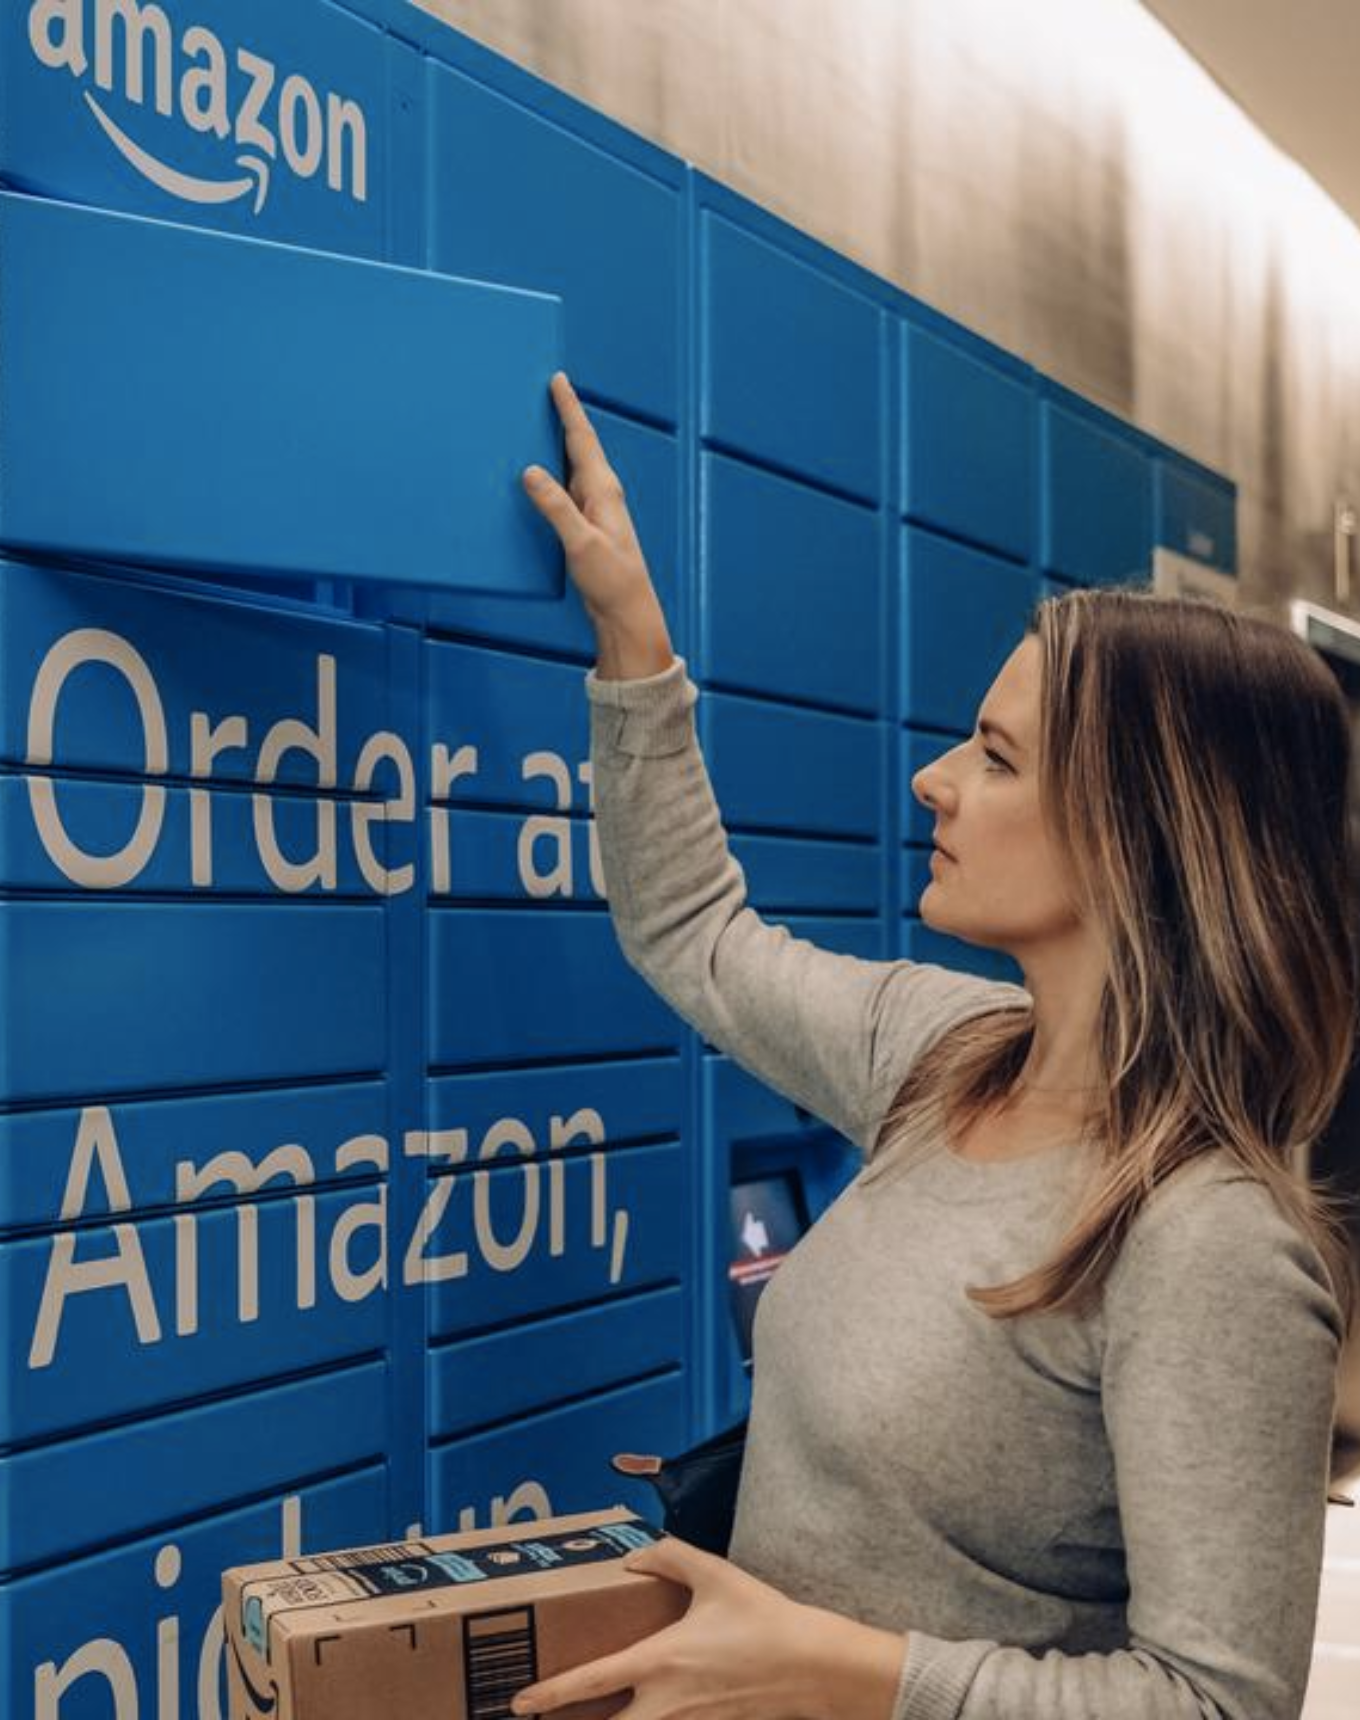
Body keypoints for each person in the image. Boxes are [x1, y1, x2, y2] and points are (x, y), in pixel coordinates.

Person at [509, 370, 1359, 1720]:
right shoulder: (944, 1051)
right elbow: (696, 934)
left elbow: (1217, 1704)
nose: (936, 778)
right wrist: (631, 634)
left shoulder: (1208, 1243)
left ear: (1145, 835)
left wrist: (838, 1670)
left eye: (999, 757)